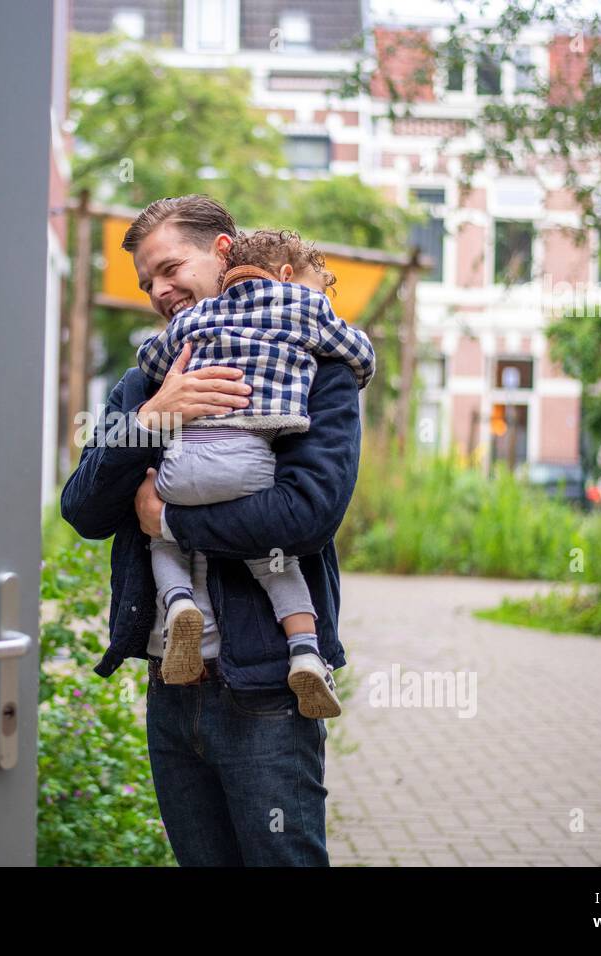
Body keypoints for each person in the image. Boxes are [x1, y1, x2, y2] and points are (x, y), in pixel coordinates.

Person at [60, 195, 363, 866]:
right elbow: (82, 509)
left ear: (223, 251)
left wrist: (167, 518)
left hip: (267, 691)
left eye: (169, 268)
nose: (158, 291)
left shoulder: (315, 365)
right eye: (146, 283)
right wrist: (150, 421)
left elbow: (305, 516)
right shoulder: (144, 381)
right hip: (173, 689)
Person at [135, 229, 374, 721]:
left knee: (161, 539)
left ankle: (180, 603)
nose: (160, 292)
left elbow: (151, 361)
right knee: (273, 560)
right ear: (287, 276)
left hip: (184, 461)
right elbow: (357, 349)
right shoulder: (304, 311)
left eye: (170, 269)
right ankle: (305, 651)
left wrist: (160, 396)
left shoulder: (198, 319)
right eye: (317, 287)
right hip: (248, 459)